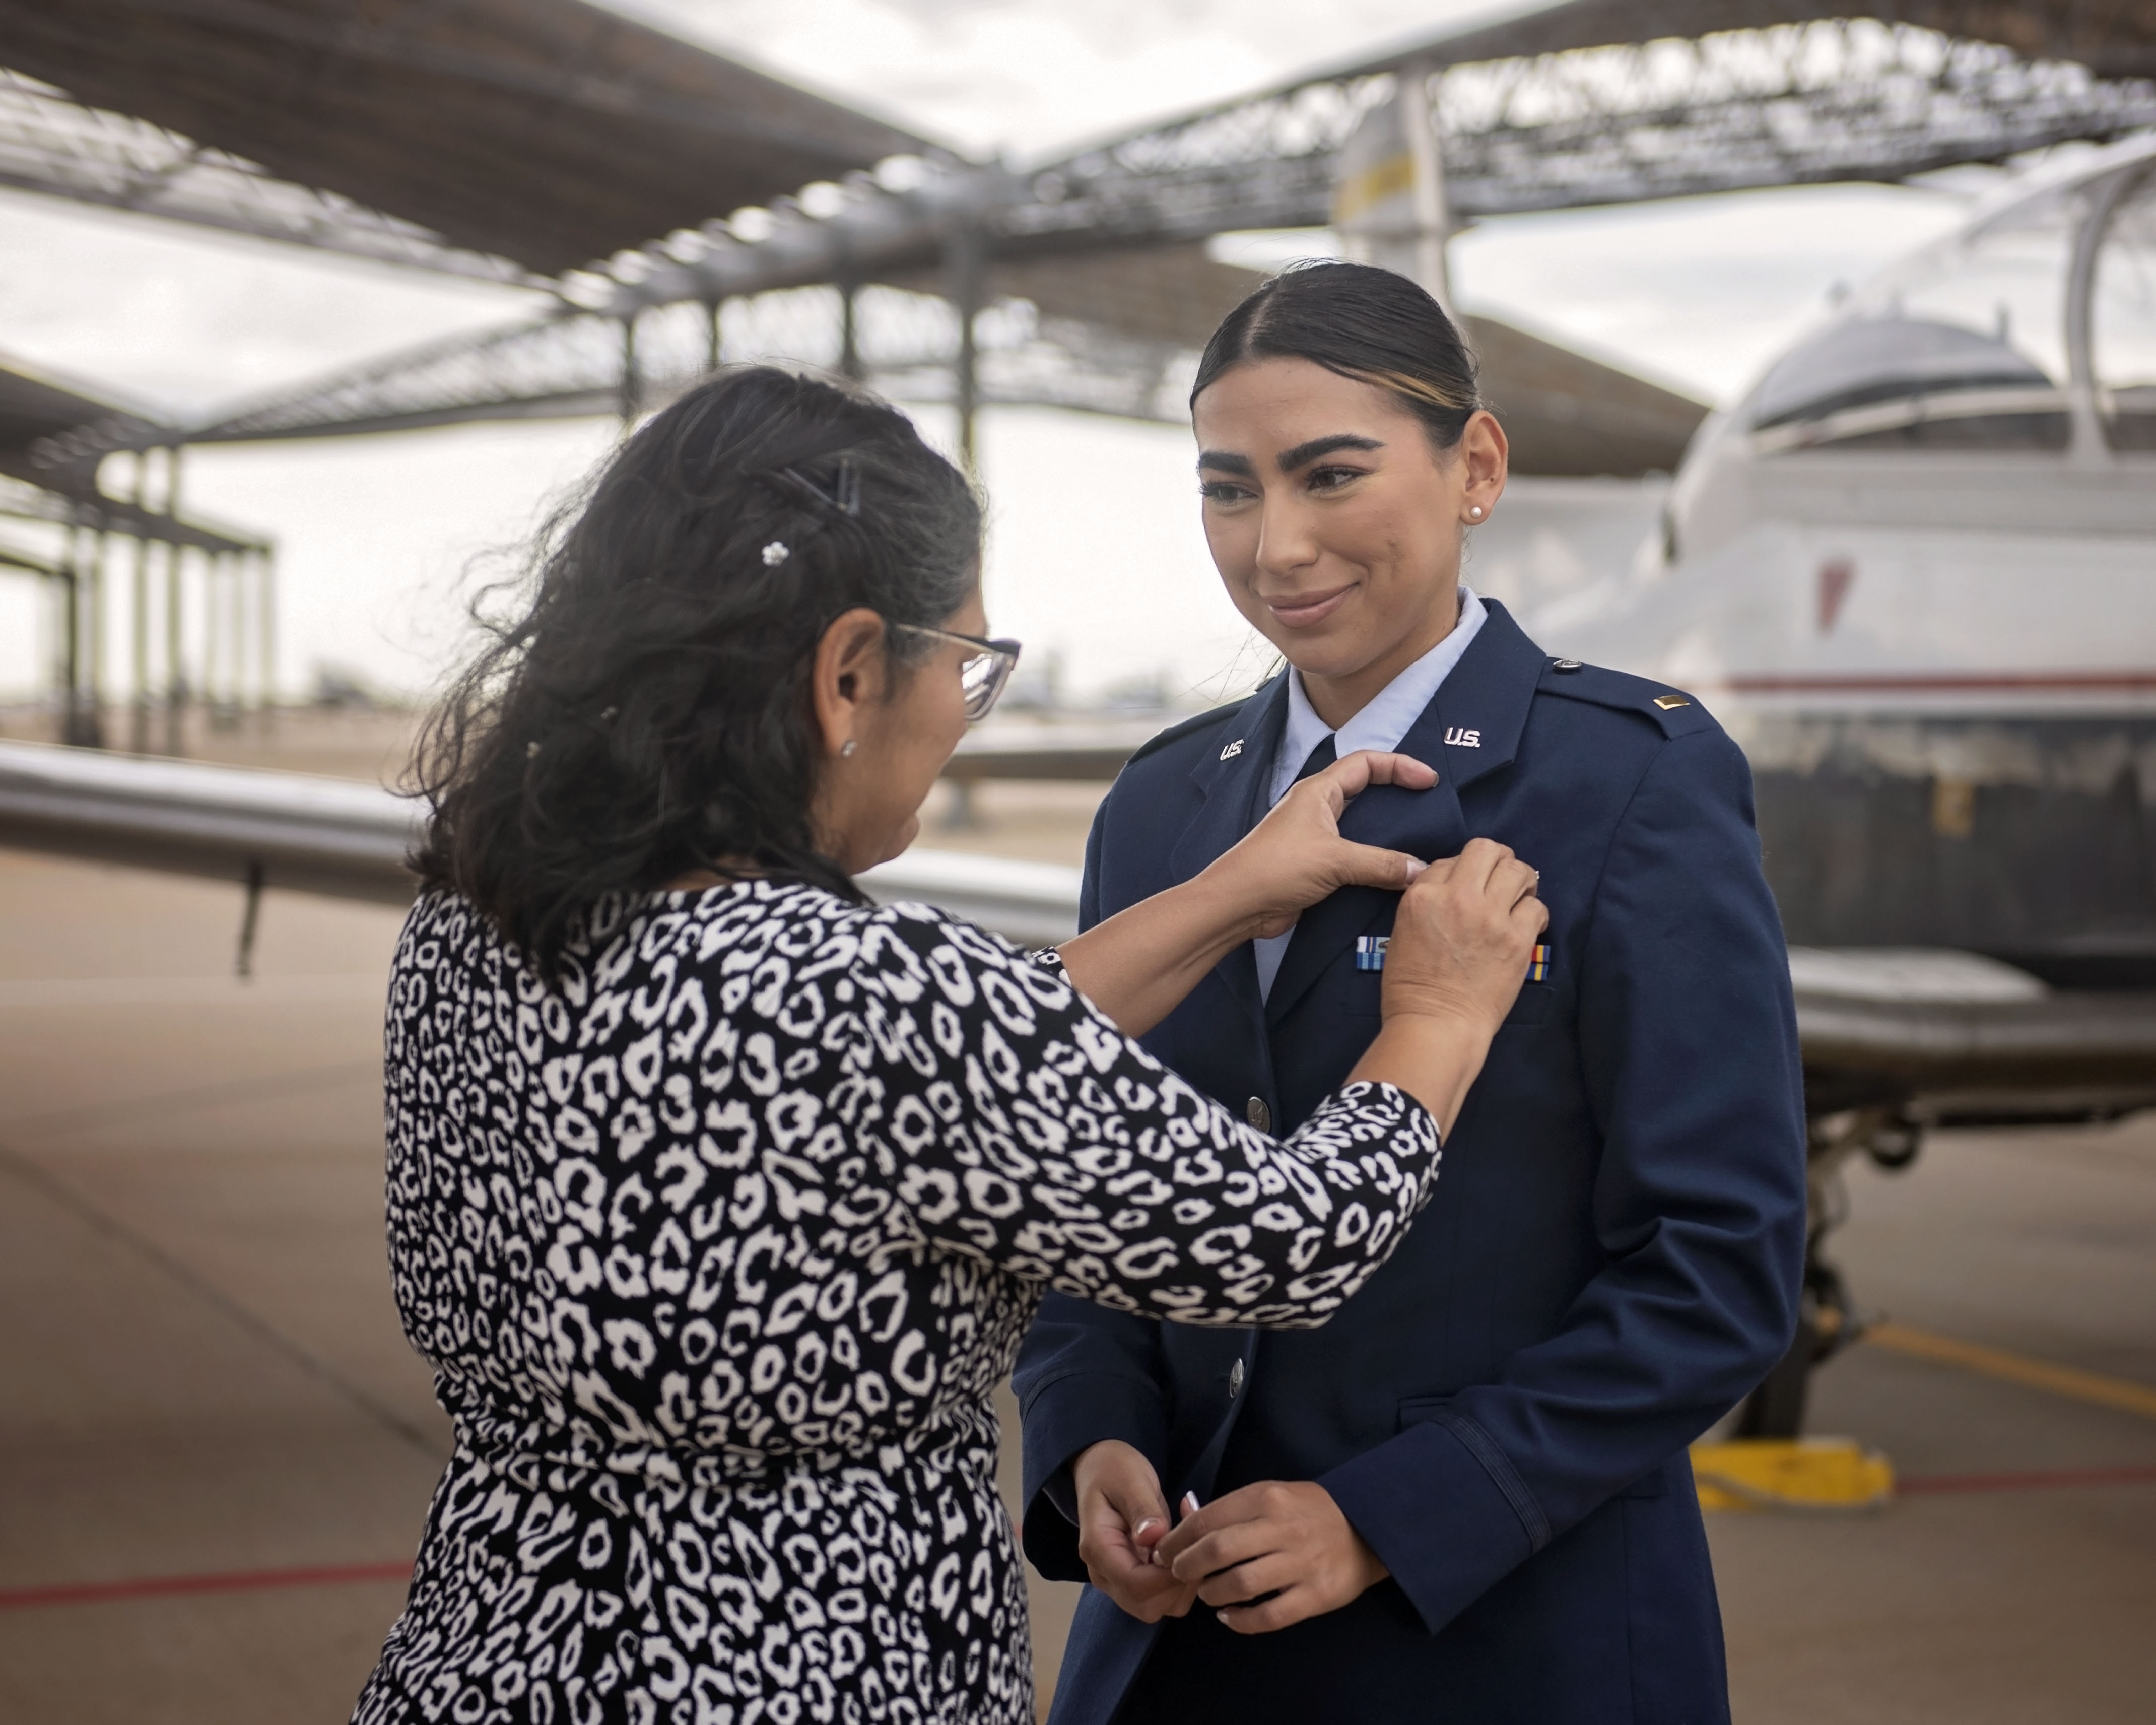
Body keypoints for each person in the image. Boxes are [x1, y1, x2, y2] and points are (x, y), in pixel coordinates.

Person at [352, 364, 1546, 1725]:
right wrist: (1441, 1018)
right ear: (848, 671)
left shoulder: (471, 924)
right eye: (966, 665)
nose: (957, 721)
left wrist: (1229, 891)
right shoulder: (872, 997)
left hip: (490, 1659)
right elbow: (1288, 1234)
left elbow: (958, 1072)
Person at [1015, 261, 1808, 1724]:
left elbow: (1718, 1262)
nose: (1278, 546)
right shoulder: (1161, 807)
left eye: (1332, 476)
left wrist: (1391, 1514)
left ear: (1477, 468)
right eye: (1229, 490)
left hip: (1505, 1641)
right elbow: (1091, 1204)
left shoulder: (1625, 780)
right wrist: (1091, 1443)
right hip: (1177, 1647)